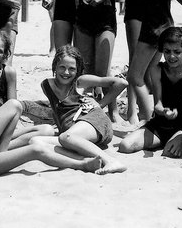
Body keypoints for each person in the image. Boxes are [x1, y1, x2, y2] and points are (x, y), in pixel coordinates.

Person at [109, 0, 173, 122]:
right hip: (164, 24)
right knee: (147, 74)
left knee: (135, 77)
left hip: (154, 26)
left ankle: (147, 120)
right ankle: (152, 117)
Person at [36, 46, 127, 174]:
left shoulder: (80, 82)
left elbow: (121, 83)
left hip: (94, 121)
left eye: (72, 69)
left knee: (66, 137)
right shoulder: (46, 85)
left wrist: (100, 104)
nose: (66, 72)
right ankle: (88, 161)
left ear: (78, 70)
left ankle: (111, 161)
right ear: (55, 66)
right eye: (62, 67)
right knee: (35, 141)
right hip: (75, 135)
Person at [118, 27, 182, 154]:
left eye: (177, 52)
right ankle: (167, 142)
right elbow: (158, 105)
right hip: (159, 125)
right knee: (125, 146)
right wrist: (164, 111)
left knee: (169, 152)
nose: (171, 56)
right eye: (167, 51)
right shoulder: (157, 70)